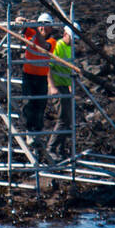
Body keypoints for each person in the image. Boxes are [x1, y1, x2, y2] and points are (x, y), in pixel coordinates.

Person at [15, 12, 56, 151]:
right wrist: (24, 20)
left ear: (51, 28)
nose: (43, 28)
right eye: (42, 24)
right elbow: (17, 21)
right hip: (28, 75)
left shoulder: (52, 41)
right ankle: (29, 133)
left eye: (46, 25)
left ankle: (36, 134)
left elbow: (44, 46)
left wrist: (36, 29)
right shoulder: (31, 32)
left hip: (41, 78)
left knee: (40, 105)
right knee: (28, 103)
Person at [47, 26, 74, 159]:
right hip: (57, 86)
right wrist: (52, 87)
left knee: (68, 119)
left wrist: (70, 85)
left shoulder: (70, 48)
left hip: (64, 86)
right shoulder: (58, 46)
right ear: (65, 34)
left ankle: (61, 149)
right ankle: (51, 148)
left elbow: (68, 70)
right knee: (63, 118)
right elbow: (48, 66)